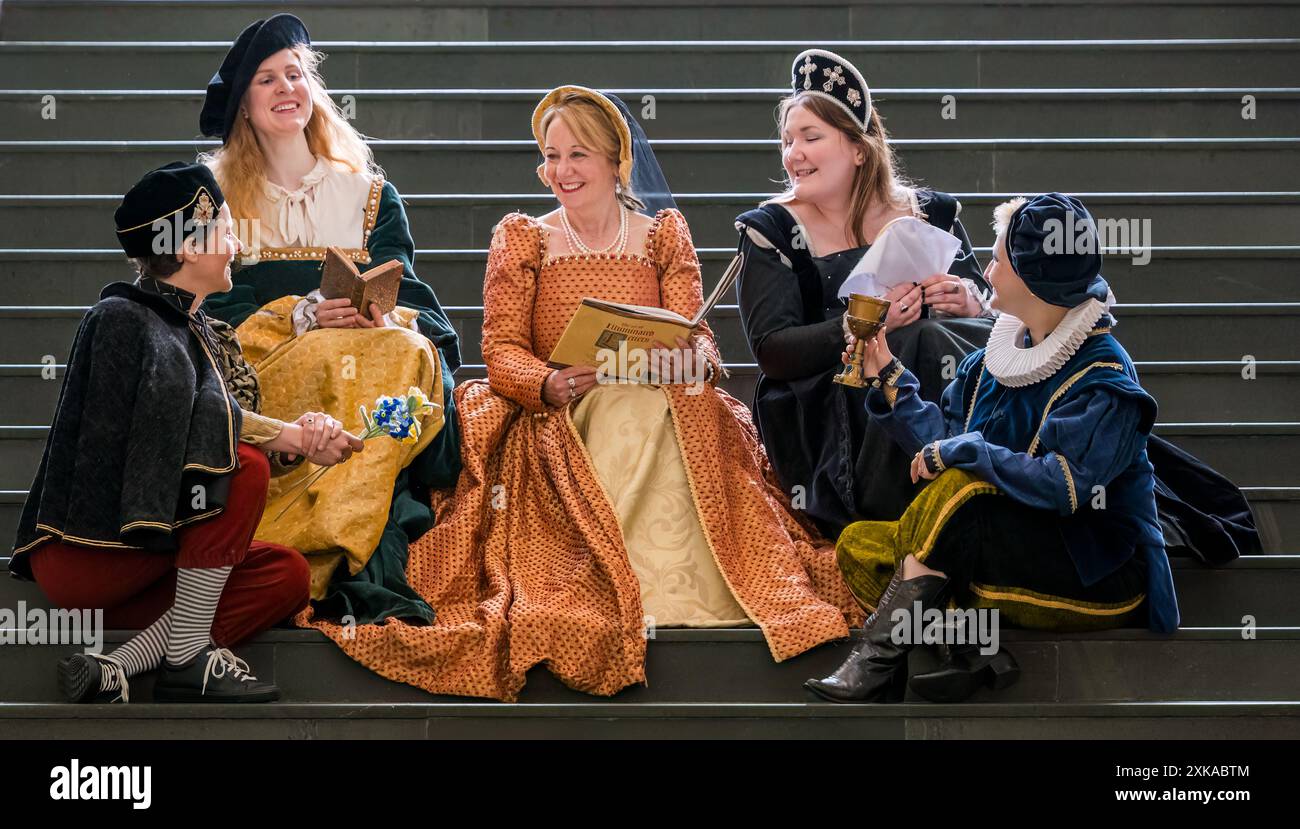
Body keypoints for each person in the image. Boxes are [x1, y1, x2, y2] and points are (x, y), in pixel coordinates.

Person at [298, 85, 863, 702]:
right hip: (559, 407)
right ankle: (610, 589)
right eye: (551, 156)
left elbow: (700, 341)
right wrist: (546, 381)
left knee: (666, 406)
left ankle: (684, 589)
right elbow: (503, 349)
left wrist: (684, 358)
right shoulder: (525, 238)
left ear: (616, 161)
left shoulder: (662, 236)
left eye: (578, 156)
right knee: (620, 411)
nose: (561, 171)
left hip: (657, 397)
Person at [805, 194, 1181, 704]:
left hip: (1097, 568)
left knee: (960, 489)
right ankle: (970, 646)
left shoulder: (1103, 376)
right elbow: (947, 437)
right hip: (1012, 543)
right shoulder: (994, 359)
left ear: (1032, 274)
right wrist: (888, 375)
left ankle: (878, 659)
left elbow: (1065, 488)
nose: (987, 267)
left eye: (1000, 258)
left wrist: (971, 452)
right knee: (860, 545)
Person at [9, 162, 362, 702]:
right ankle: (190, 656)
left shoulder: (202, 327)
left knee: (286, 575)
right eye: (224, 227)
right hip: (93, 550)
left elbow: (225, 425)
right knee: (242, 467)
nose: (236, 240)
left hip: (152, 560)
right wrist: (286, 436)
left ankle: (119, 667)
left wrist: (302, 437)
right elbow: (182, 421)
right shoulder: (120, 316)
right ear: (191, 248)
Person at [197, 14, 460, 624]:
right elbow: (200, 309)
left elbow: (417, 298)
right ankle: (308, 545)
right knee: (383, 359)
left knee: (402, 352)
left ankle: (350, 547)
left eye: (295, 74)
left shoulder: (367, 194)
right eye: (267, 80)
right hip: (267, 364)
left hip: (371, 359)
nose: (287, 88)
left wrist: (383, 315)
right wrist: (302, 314)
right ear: (243, 105)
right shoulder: (213, 195)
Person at [735, 49, 996, 537]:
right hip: (830, 406)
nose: (793, 154)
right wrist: (868, 324)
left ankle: (986, 474)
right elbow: (773, 352)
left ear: (859, 148)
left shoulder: (928, 212)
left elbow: (989, 297)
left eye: (811, 138)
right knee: (918, 341)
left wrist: (968, 297)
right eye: (788, 140)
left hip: (934, 365)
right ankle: (958, 489)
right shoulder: (772, 228)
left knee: (956, 337)